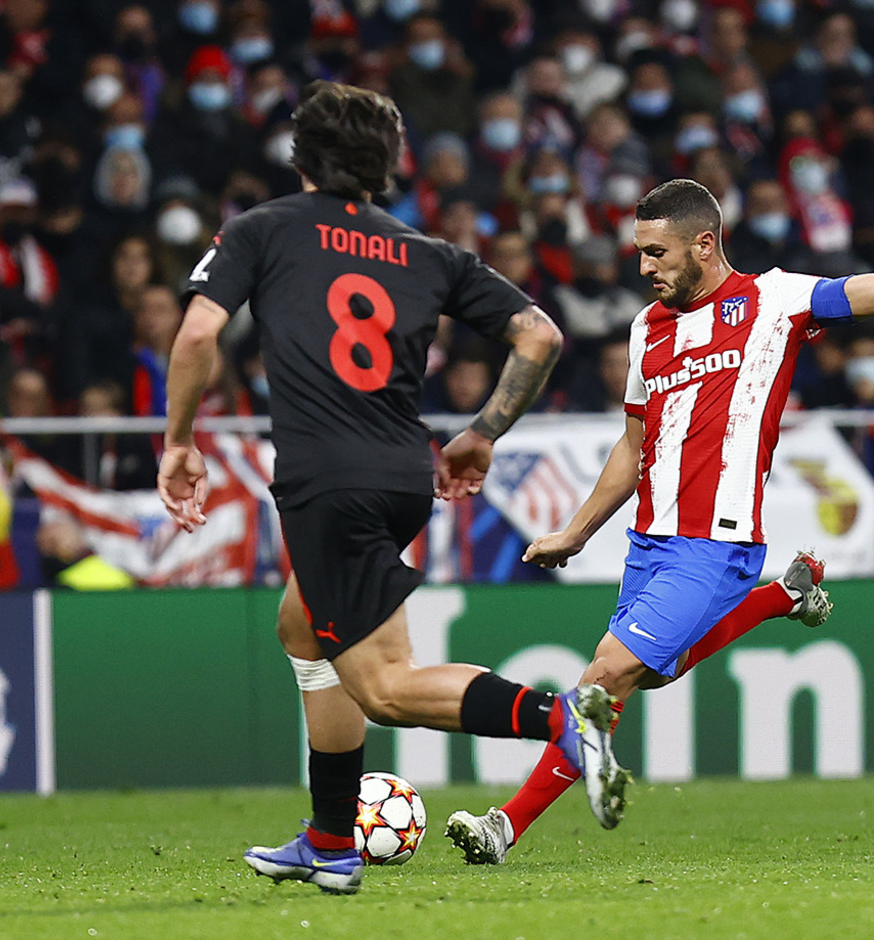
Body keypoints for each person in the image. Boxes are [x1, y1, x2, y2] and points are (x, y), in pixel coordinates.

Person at [157, 80, 627, 896]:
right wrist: (483, 432)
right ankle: (330, 841)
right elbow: (539, 335)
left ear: (301, 158)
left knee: (385, 686)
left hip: (326, 478)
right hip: (402, 472)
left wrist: (177, 441)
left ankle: (562, 719)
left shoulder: (264, 228)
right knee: (304, 628)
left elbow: (199, 333)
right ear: (388, 165)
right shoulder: (426, 252)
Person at [445, 177, 863, 865]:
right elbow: (634, 445)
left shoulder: (773, 298)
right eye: (640, 252)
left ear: (704, 244)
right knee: (650, 675)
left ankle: (502, 828)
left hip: (716, 542)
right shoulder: (648, 328)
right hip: (650, 541)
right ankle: (784, 597)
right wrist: (577, 531)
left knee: (604, 676)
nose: (644, 267)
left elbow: (858, 292)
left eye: (656, 252)